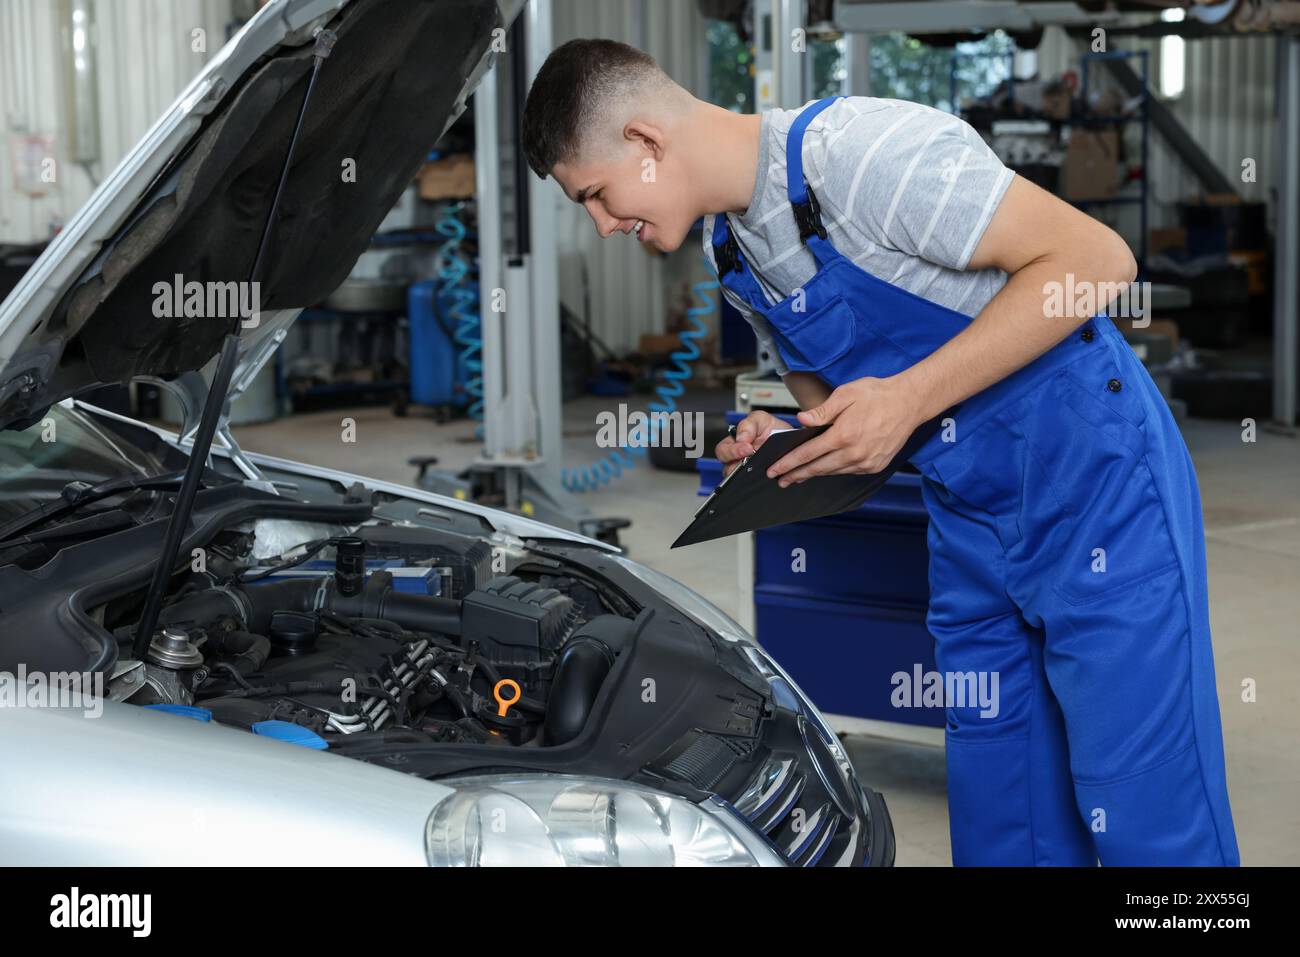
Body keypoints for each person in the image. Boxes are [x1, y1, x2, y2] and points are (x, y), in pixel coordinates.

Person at [521, 38, 1239, 866]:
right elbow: (846, 409)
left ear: (646, 141)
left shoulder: (860, 156)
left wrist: (908, 399)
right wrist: (796, 438)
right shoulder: (733, 254)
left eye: (596, 195)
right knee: (1006, 806)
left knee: (1145, 798)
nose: (604, 225)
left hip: (1096, 482)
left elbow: (1095, 259)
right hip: (971, 518)